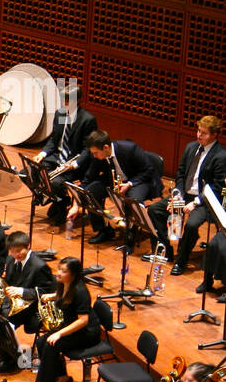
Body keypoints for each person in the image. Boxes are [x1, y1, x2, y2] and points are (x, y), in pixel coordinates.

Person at [149, 115, 226, 275]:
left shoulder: (221, 156)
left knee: (191, 225)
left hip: (204, 201)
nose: (199, 135)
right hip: (185, 195)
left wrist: (196, 202)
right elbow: (181, 174)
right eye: (198, 131)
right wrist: (178, 195)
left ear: (214, 135)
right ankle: (166, 252)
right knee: (154, 210)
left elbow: (216, 188)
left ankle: (181, 261)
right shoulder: (191, 147)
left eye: (204, 133)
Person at [72, 130, 160, 245]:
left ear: (106, 147)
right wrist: (76, 204)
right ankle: (104, 231)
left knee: (133, 200)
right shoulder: (98, 156)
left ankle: (131, 233)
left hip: (138, 180)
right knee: (91, 191)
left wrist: (130, 184)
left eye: (96, 153)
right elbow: (88, 178)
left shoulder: (129, 148)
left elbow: (149, 169)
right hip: (114, 181)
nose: (94, 156)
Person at [32, 256, 100, 382]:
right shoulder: (64, 284)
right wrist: (51, 296)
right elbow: (63, 297)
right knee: (41, 341)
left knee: (51, 344)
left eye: (63, 271)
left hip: (86, 333)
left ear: (73, 274)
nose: (58, 273)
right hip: (71, 326)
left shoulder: (80, 291)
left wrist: (60, 334)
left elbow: (83, 320)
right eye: (58, 269)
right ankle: (61, 377)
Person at [0, 230, 57, 373]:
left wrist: (21, 291)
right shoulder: (10, 260)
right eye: (13, 251)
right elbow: (8, 282)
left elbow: (44, 292)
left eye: (19, 250)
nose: (16, 254)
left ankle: (11, 359)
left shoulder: (39, 266)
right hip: (15, 303)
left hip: (33, 307)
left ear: (28, 246)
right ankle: (6, 348)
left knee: (5, 320)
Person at [32, 83, 96, 226]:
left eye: (67, 101)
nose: (64, 104)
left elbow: (88, 149)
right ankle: (53, 198)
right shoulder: (60, 113)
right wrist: (42, 154)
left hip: (73, 162)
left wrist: (75, 164)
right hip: (56, 157)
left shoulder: (87, 120)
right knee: (29, 172)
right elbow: (54, 139)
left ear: (77, 101)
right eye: (63, 100)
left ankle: (60, 201)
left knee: (55, 182)